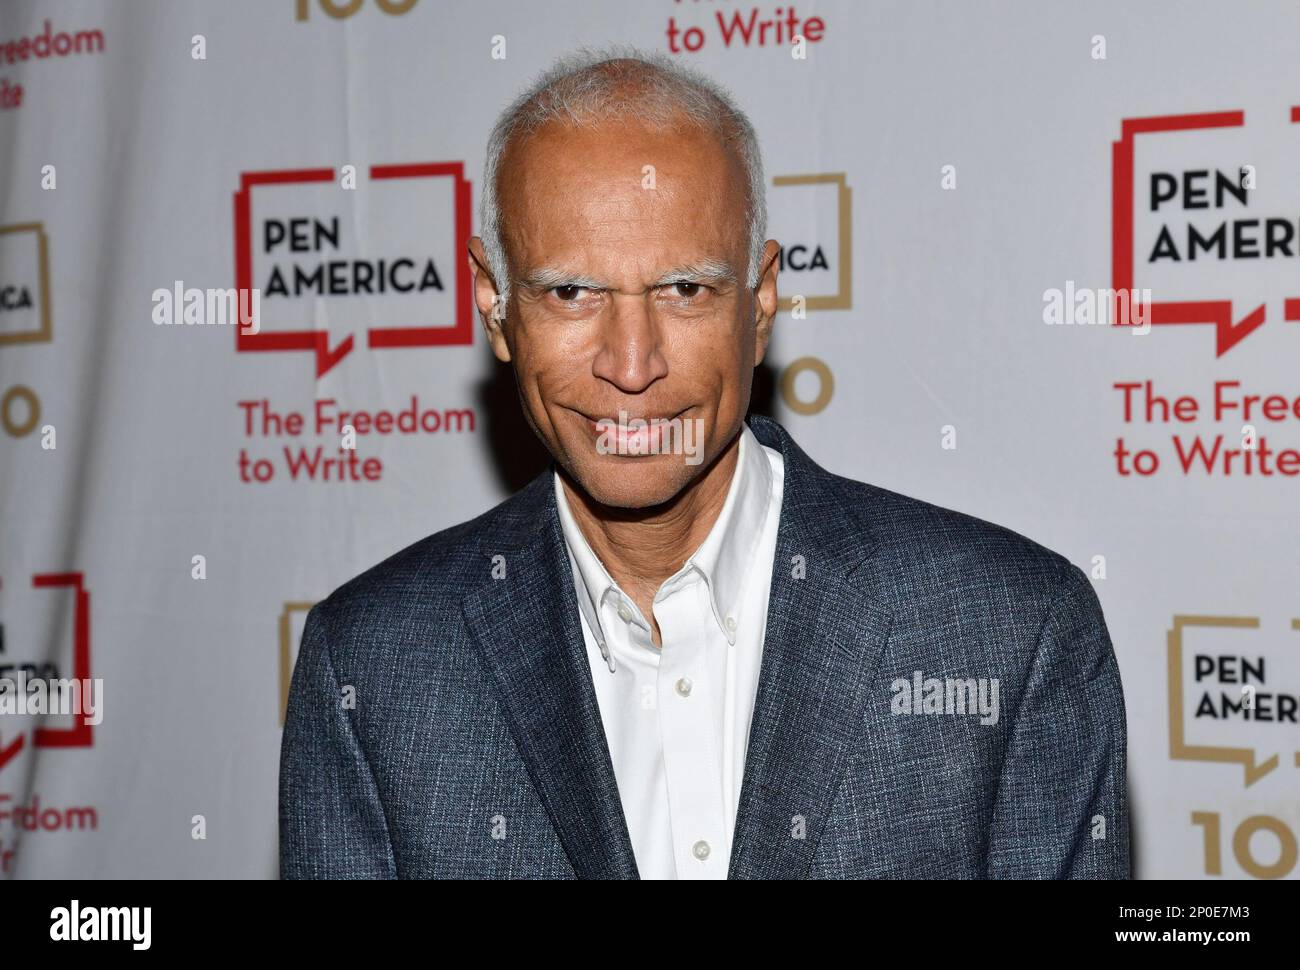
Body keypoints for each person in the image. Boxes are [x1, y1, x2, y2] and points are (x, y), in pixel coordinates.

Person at [279, 48, 1129, 879]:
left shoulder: (1011, 631)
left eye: (685, 289)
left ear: (760, 305)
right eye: (572, 293)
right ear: (495, 307)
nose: (632, 362)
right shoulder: (373, 667)